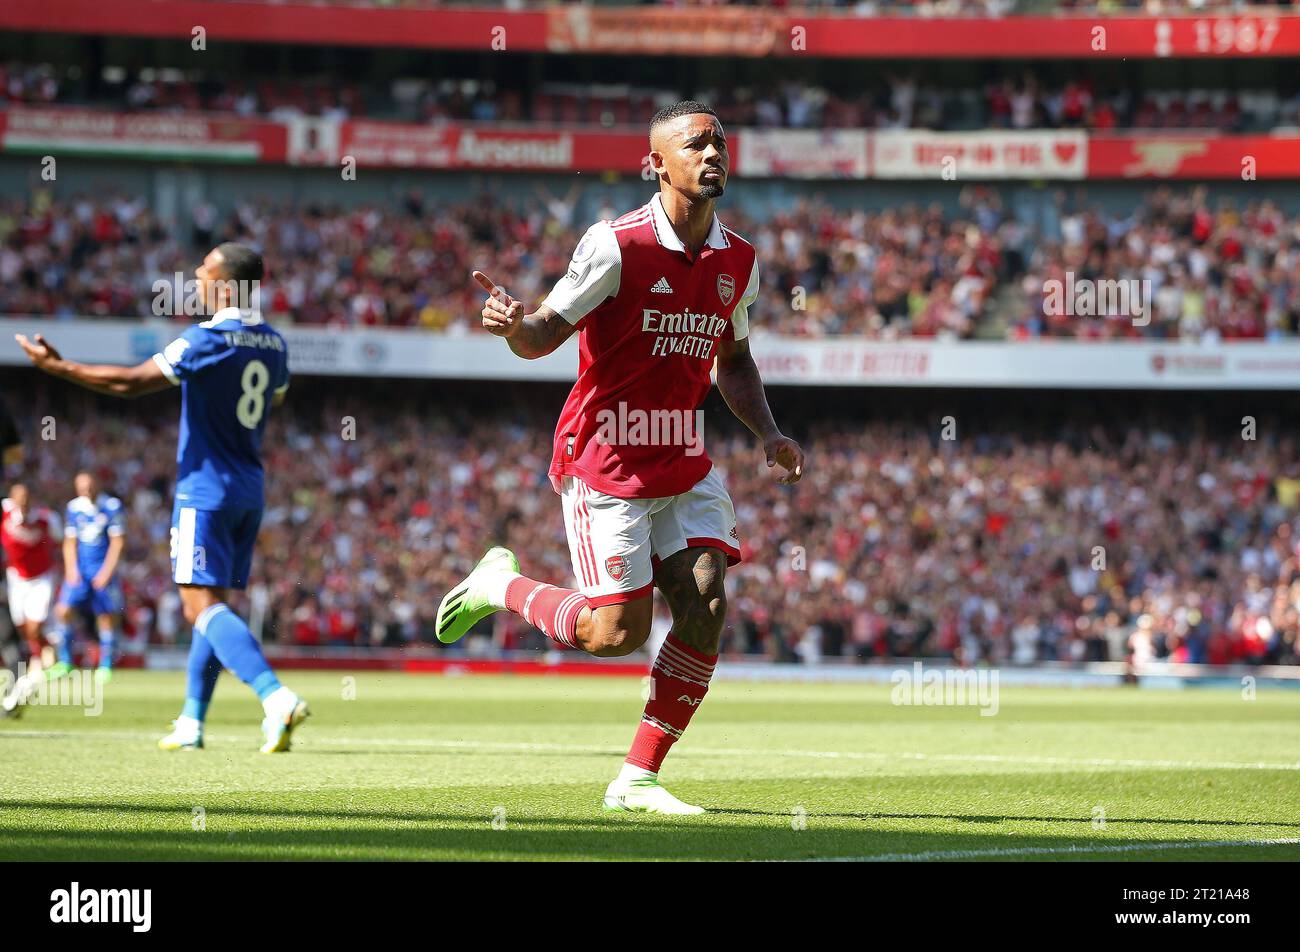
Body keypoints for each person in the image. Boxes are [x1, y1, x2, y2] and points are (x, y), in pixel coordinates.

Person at [438, 102, 805, 814]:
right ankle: (499, 586)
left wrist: (768, 433)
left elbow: (736, 362)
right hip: (606, 459)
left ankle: (637, 777)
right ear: (656, 164)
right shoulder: (615, 244)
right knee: (614, 635)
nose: (712, 154)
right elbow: (544, 333)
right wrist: (514, 327)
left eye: (720, 143)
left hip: (684, 456)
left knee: (704, 602)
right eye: (695, 145)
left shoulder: (740, 260)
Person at [15, 242, 308, 752]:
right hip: (248, 488)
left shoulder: (206, 338)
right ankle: (192, 721)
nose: (195, 276)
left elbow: (130, 384)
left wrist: (60, 369)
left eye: (204, 269)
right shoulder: (275, 343)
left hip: (205, 488)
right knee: (211, 605)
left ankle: (274, 695)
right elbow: (275, 400)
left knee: (200, 607)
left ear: (224, 283)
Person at [47, 472, 126, 683]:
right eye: (82, 488)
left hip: (102, 568)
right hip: (80, 569)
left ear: (97, 484)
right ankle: (65, 662)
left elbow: (118, 541)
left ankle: (106, 665)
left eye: (89, 486)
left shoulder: (111, 506)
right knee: (63, 610)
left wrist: (107, 572)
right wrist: (71, 569)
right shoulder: (74, 508)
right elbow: (70, 542)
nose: (86, 491)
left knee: (105, 615)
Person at [0, 484, 61, 715]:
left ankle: (46, 653)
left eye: (26, 498)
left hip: (41, 578)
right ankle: (41, 657)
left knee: (35, 627)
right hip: (16, 578)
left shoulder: (46, 519)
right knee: (22, 627)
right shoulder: (5, 512)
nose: (23, 503)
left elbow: (61, 540)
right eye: (19, 499)